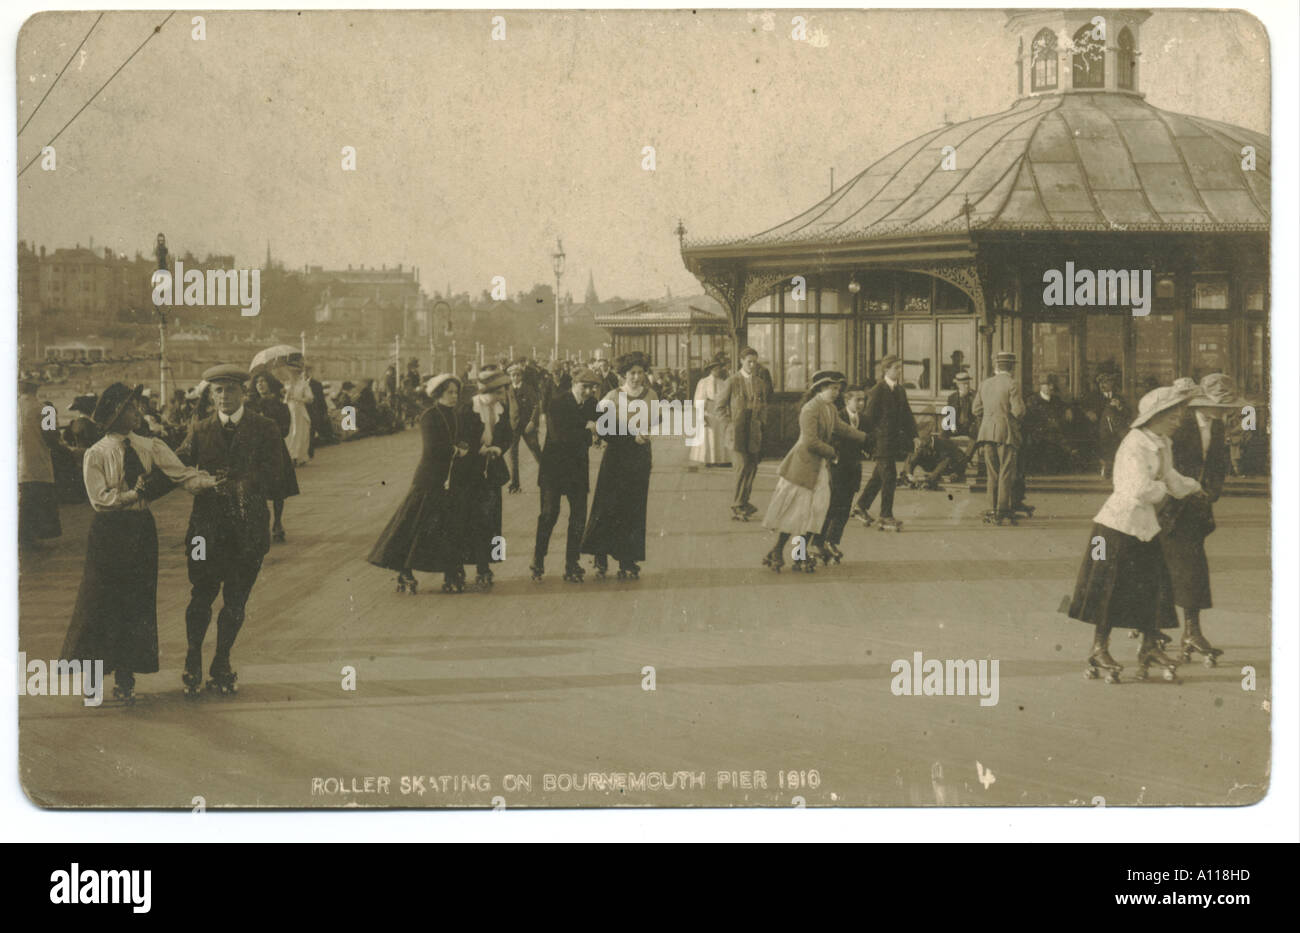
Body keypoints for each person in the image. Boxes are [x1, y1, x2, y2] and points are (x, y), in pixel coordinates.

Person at [61, 383, 219, 701]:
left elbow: (182, 474)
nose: (138, 413)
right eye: (131, 408)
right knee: (99, 600)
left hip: (140, 530)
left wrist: (211, 482)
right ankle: (93, 679)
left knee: (136, 600)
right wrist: (136, 493)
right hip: (108, 532)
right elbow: (100, 500)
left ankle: (125, 676)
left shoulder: (150, 446)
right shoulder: (97, 453)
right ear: (117, 415)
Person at [1066, 384, 1203, 683]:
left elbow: (1171, 477)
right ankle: (1098, 648)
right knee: (1109, 588)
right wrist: (1166, 491)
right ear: (1156, 415)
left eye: (1181, 412)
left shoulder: (1162, 441)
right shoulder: (1134, 444)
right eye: (1174, 413)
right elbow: (1136, 489)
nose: (1179, 418)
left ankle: (1149, 647)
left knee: (1152, 586)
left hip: (1145, 527)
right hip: (1117, 526)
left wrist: (1193, 487)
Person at [175, 364, 283, 695]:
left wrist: (244, 484)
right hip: (203, 531)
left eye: (231, 390)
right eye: (218, 390)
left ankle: (221, 660)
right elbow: (175, 465)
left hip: (248, 529)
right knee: (201, 595)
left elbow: (279, 476)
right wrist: (191, 481)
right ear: (210, 395)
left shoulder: (264, 428)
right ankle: (193, 657)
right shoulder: (200, 428)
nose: (224, 396)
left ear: (244, 393)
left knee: (236, 600)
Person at [368, 374, 479, 594]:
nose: (454, 396)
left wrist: (464, 445)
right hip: (430, 479)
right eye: (449, 392)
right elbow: (433, 448)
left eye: (456, 392)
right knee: (417, 528)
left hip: (451, 481)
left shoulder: (456, 415)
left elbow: (465, 436)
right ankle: (405, 570)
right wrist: (457, 450)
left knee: (449, 528)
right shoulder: (429, 416)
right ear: (438, 394)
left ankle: (451, 571)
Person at [1158, 374, 1239, 667]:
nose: (1227, 412)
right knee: (1166, 567)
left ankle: (1190, 632)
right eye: (1223, 406)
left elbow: (1217, 464)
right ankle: (1160, 632)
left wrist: (1211, 492)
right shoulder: (1179, 423)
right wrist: (1183, 490)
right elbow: (1163, 466)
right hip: (1168, 506)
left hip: (1197, 508)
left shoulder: (1217, 425)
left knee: (1192, 568)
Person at [763, 371, 866, 571]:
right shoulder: (810, 409)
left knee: (814, 512)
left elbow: (841, 427)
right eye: (832, 388)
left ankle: (791, 553)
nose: (836, 392)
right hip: (802, 467)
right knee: (797, 513)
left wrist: (865, 437)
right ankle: (782, 551)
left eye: (838, 389)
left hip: (818, 468)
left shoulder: (829, 408)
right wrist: (832, 452)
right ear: (820, 388)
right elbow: (810, 441)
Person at [581, 351, 659, 579]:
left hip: (640, 457)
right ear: (624, 375)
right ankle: (600, 556)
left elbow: (655, 421)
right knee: (607, 506)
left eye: (640, 372)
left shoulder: (652, 395)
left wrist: (648, 433)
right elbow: (601, 428)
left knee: (634, 508)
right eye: (631, 373)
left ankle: (628, 559)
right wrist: (628, 436)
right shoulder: (612, 397)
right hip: (616, 457)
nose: (636, 377)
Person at [532, 368, 601, 582]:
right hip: (554, 469)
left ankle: (572, 563)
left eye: (592, 387)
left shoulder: (591, 404)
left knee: (578, 517)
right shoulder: (557, 403)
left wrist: (596, 430)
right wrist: (588, 430)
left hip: (578, 469)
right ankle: (538, 559)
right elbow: (559, 435)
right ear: (574, 383)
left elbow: (603, 426)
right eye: (585, 386)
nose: (589, 391)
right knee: (549, 515)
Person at [853, 355, 917, 531]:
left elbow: (907, 416)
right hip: (881, 443)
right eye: (896, 368)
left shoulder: (900, 390)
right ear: (886, 370)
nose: (899, 371)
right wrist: (870, 443)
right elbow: (868, 419)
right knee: (888, 477)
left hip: (892, 442)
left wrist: (915, 436)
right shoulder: (877, 390)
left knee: (879, 477)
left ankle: (861, 507)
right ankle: (885, 516)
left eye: (900, 368)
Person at [465, 366, 512, 588]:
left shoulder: (500, 408)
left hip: (492, 470)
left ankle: (485, 565)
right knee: (471, 518)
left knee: (491, 519)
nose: (503, 396)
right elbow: (461, 435)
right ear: (491, 390)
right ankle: (464, 564)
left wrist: (499, 449)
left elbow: (508, 435)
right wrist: (478, 449)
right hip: (470, 470)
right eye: (501, 391)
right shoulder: (469, 408)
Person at [715, 346, 769, 520]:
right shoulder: (732, 381)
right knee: (741, 467)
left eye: (755, 362)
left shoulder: (760, 383)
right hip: (737, 431)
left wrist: (761, 423)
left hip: (753, 431)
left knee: (752, 467)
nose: (752, 365)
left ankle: (744, 502)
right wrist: (729, 425)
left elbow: (764, 406)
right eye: (749, 362)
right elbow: (719, 407)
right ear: (741, 361)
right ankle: (737, 504)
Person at [972, 351, 1026, 525]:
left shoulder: (984, 384)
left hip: (986, 432)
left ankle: (992, 508)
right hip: (1006, 433)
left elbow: (976, 410)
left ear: (996, 365)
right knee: (1005, 471)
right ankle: (1003, 510)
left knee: (992, 472)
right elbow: (1018, 411)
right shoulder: (1012, 384)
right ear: (1011, 366)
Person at [248, 372, 300, 543]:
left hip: (275, 450)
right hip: (256, 451)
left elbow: (285, 430)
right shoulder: (250, 406)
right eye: (257, 382)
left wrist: (268, 425)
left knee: (278, 490)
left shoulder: (280, 406)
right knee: (257, 490)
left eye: (263, 381)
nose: (260, 385)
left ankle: (277, 522)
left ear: (270, 384)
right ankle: (262, 524)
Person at [819, 383, 868, 562]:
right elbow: (830, 439)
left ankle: (831, 541)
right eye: (858, 400)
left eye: (864, 400)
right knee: (833, 506)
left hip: (854, 469)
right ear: (847, 400)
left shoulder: (864, 419)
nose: (862, 403)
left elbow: (868, 439)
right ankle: (822, 541)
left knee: (845, 507)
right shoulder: (837, 416)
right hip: (838, 468)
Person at [18, 375, 61, 550]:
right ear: (36, 388)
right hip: (36, 463)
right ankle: (29, 538)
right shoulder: (45, 410)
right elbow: (52, 438)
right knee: (34, 501)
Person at [506, 360, 543, 493]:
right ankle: (515, 484)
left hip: (528, 426)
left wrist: (532, 422)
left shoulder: (528, 389)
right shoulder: (508, 389)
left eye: (517, 375)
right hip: (514, 426)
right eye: (512, 375)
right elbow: (506, 408)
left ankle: (548, 478)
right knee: (513, 455)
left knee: (536, 451)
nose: (515, 378)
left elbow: (536, 406)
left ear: (521, 376)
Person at [689, 357, 730, 470]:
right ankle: (709, 459)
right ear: (711, 370)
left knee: (720, 434)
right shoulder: (704, 382)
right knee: (709, 435)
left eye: (719, 368)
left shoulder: (723, 382)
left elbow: (726, 398)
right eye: (715, 369)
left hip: (720, 410)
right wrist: (701, 415)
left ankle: (721, 459)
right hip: (709, 410)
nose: (718, 371)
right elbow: (699, 399)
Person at [1085, 372, 1128, 478]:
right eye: (1100, 383)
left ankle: (1113, 467)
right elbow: (1084, 408)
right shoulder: (1093, 397)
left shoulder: (1119, 397)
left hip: (1115, 429)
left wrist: (1119, 407)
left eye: (1105, 383)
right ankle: (1106, 466)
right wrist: (1088, 412)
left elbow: (1128, 413)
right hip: (1098, 428)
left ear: (1111, 384)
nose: (1102, 385)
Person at [903, 421, 968, 489]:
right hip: (934, 465)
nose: (920, 449)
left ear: (929, 442)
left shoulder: (943, 444)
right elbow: (910, 459)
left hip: (952, 467)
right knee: (914, 456)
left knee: (946, 462)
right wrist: (908, 475)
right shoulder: (921, 445)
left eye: (924, 447)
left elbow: (947, 461)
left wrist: (957, 473)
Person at [283, 369, 313, 466]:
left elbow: (310, 399)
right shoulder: (287, 385)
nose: (292, 375)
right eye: (290, 373)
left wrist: (299, 399)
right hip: (290, 411)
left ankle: (298, 456)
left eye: (294, 373)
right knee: (291, 433)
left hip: (300, 411)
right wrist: (288, 391)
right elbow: (285, 401)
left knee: (300, 433)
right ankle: (291, 455)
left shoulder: (304, 384)